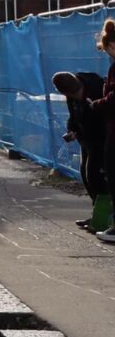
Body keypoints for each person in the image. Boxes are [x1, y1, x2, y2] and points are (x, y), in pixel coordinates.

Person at [67, 19, 115, 242]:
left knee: (105, 175)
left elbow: (112, 98)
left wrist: (96, 104)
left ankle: (108, 221)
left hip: (108, 132)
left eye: (107, 50)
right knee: (92, 173)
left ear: (111, 45)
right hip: (99, 135)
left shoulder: (109, 73)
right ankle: (101, 216)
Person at [53, 70, 108, 231]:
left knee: (96, 176)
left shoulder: (98, 89)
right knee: (86, 174)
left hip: (102, 139)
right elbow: (73, 116)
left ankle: (105, 217)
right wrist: (72, 130)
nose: (76, 99)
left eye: (77, 95)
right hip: (87, 139)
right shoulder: (71, 94)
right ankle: (98, 213)